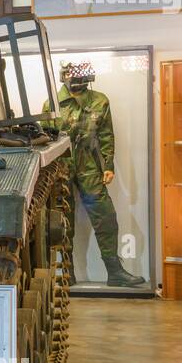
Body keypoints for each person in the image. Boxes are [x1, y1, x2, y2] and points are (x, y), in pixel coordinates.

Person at [44, 61, 146, 288]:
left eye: (82, 79)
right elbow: (44, 141)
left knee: (106, 216)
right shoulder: (51, 103)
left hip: (89, 166)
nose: (77, 83)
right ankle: (66, 273)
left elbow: (106, 135)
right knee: (61, 220)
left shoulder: (100, 100)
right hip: (60, 168)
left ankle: (115, 271)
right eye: (73, 78)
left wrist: (108, 165)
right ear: (64, 78)